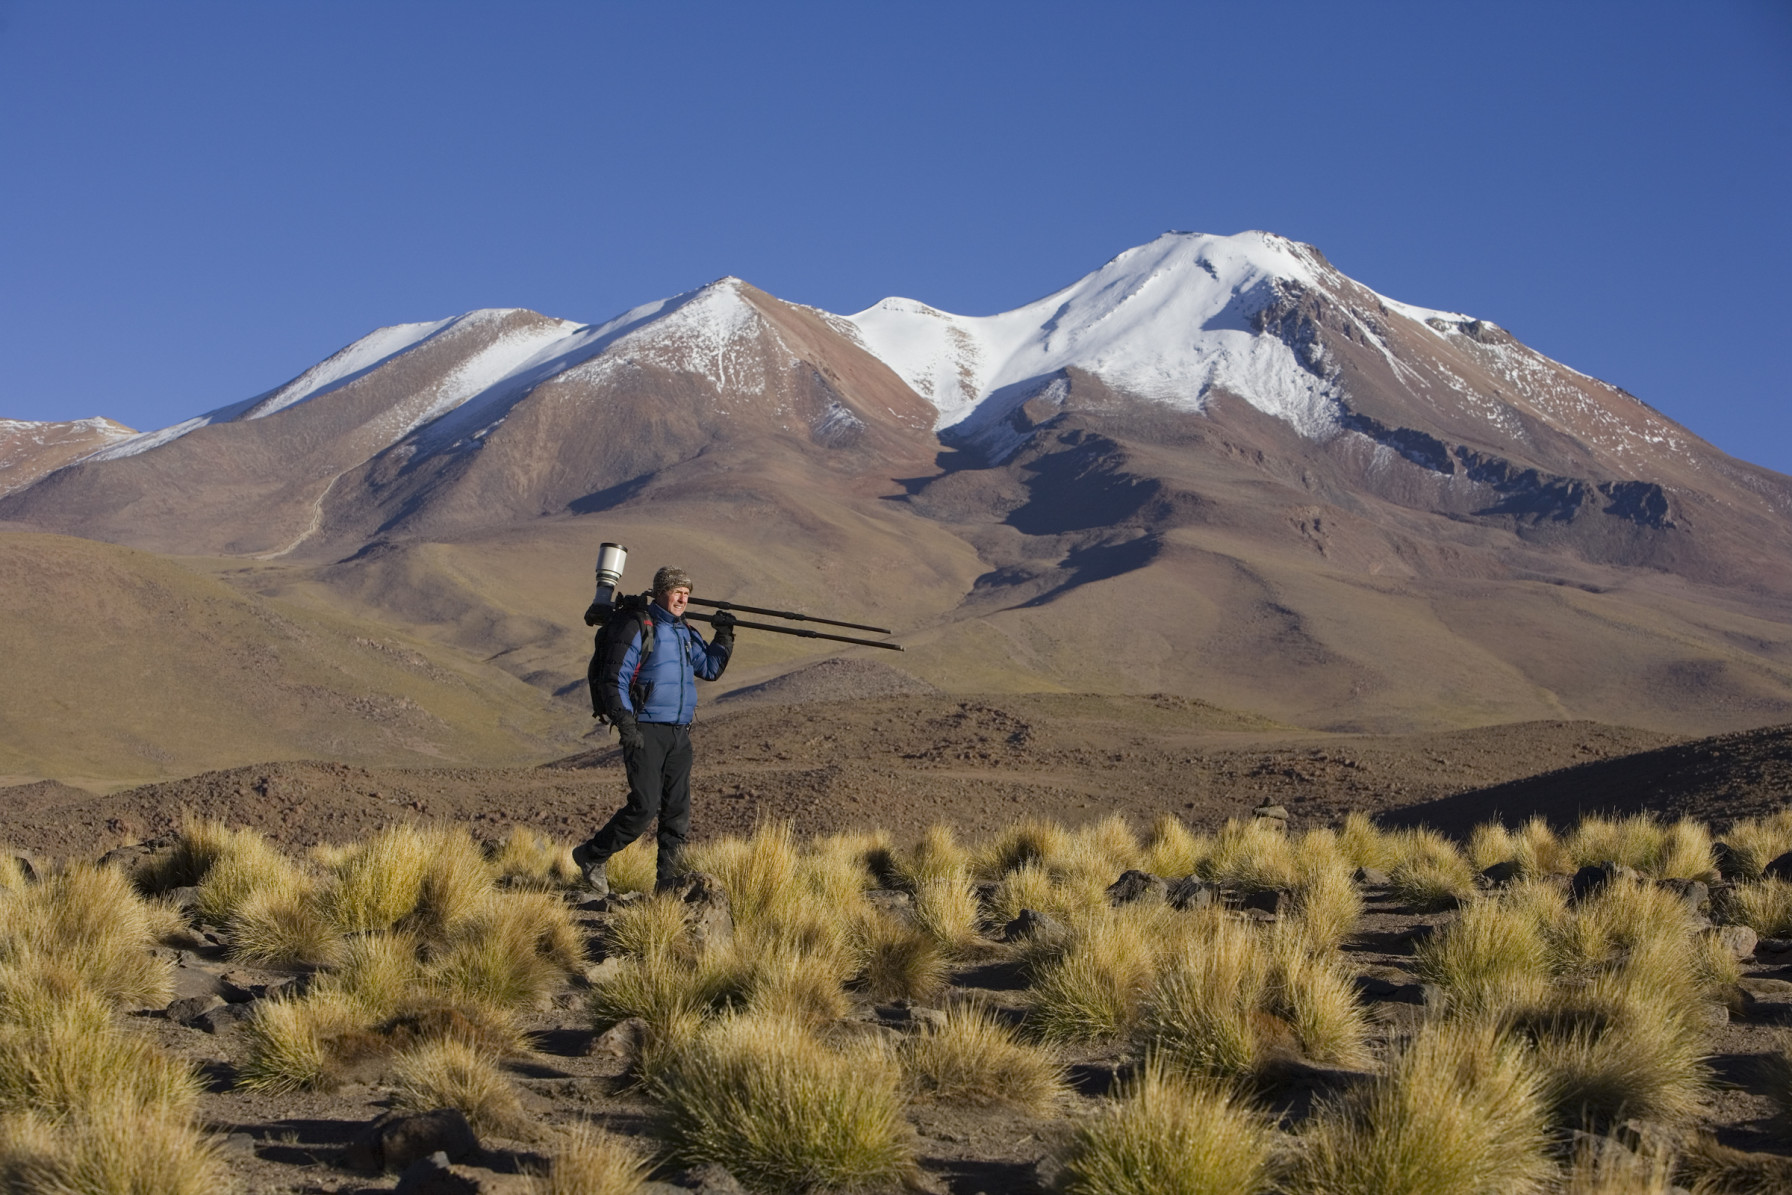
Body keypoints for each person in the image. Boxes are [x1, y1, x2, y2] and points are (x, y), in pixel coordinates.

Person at [572, 566, 734, 894]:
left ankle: (668, 885)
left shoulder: (685, 632)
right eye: (677, 592)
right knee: (644, 807)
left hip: (679, 733)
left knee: (677, 813)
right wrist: (627, 724)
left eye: (686, 593)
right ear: (661, 592)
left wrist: (724, 636)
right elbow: (614, 678)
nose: (682, 598)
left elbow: (710, 668)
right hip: (645, 729)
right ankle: (592, 854)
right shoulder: (639, 626)